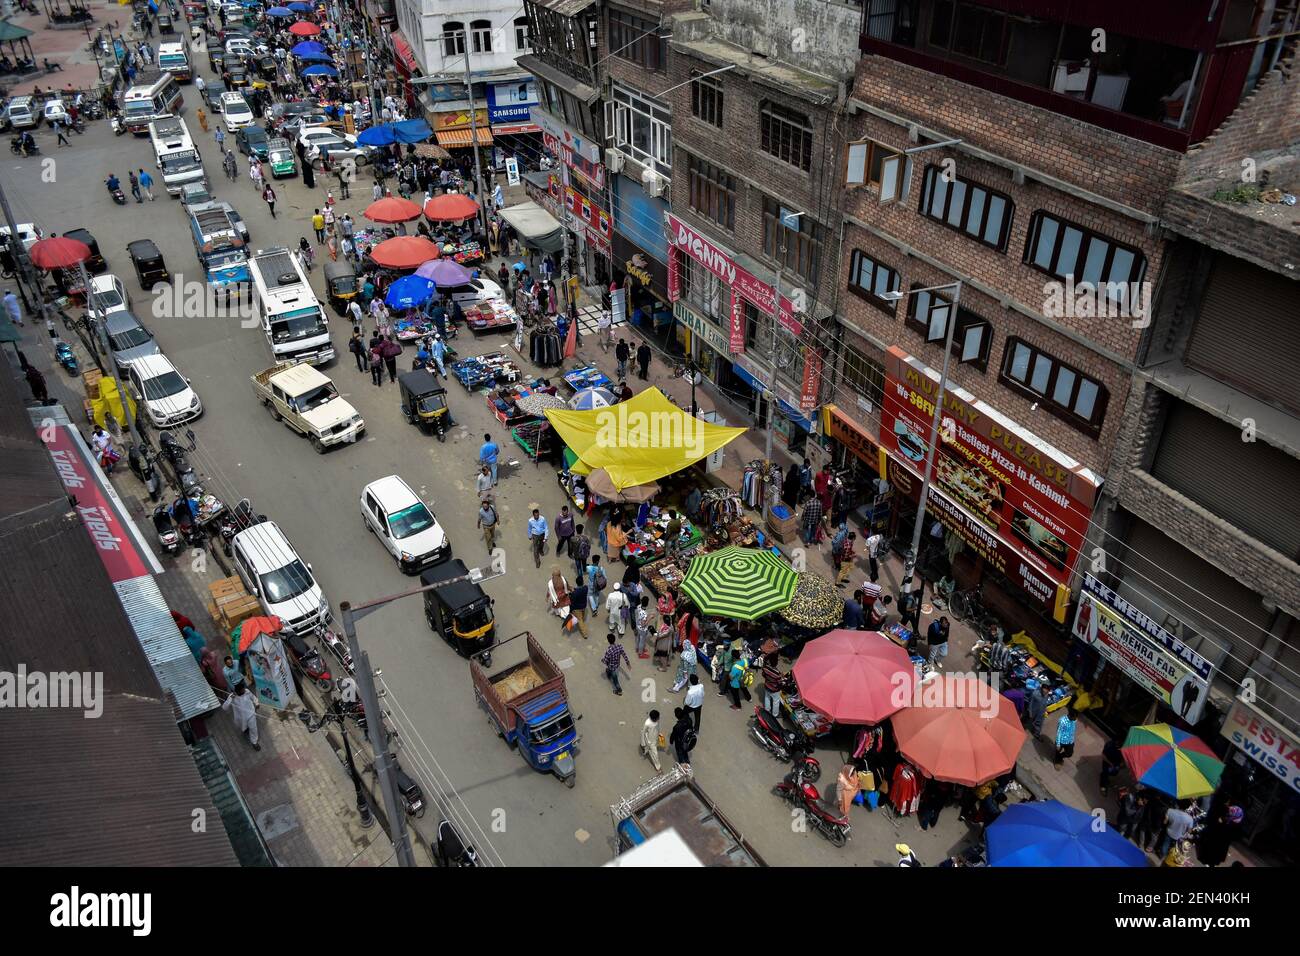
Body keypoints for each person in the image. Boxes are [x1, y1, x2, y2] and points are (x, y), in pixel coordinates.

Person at [222, 682, 260, 750]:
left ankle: (254, 742)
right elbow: (224, 707)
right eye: (242, 690)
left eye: (244, 689)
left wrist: (256, 703)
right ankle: (245, 730)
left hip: (251, 715)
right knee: (243, 727)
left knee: (253, 729)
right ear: (238, 691)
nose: (244, 690)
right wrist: (230, 699)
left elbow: (253, 697)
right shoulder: (232, 696)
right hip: (240, 718)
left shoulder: (247, 691)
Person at [761, 645, 784, 716]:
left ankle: (767, 710)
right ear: (776, 662)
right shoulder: (777, 673)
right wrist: (782, 677)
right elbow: (780, 682)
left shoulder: (765, 668)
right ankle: (775, 714)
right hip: (774, 689)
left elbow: (763, 675)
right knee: (776, 701)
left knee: (767, 697)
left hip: (767, 686)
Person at [568, 574, 589, 639]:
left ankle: (585, 634)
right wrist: (574, 589)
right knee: (582, 615)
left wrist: (571, 593)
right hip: (584, 605)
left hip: (577, 608)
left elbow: (572, 601)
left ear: (576, 583)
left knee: (580, 620)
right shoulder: (586, 588)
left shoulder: (575, 593)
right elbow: (579, 590)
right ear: (582, 582)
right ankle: (582, 617)